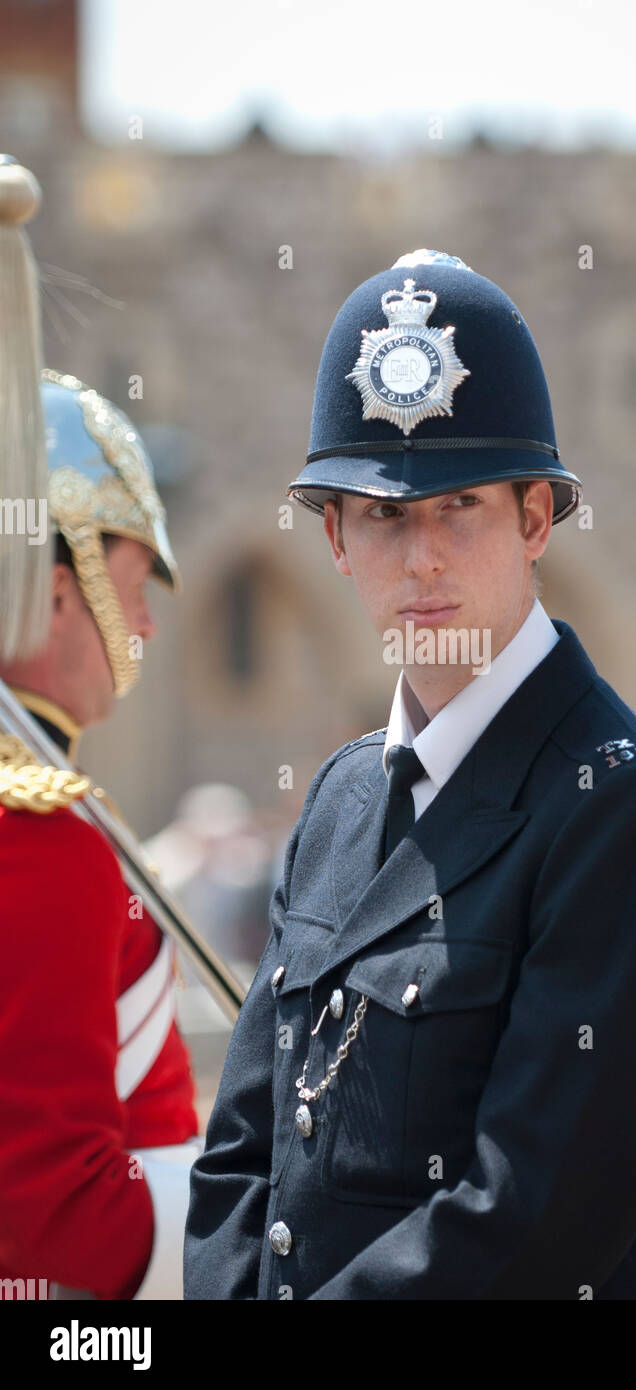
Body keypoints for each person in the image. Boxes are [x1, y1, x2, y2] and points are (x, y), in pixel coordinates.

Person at [184, 249, 636, 1300]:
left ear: (536, 517)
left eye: (461, 508)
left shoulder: (632, 813)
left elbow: (531, 1223)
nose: (422, 558)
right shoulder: (343, 796)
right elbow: (241, 1157)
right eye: (384, 515)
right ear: (335, 541)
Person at [0, 156, 199, 1300]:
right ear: (59, 580)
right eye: (133, 581)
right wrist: (268, 1216)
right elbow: (58, 1210)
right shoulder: (42, 839)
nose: (145, 624)